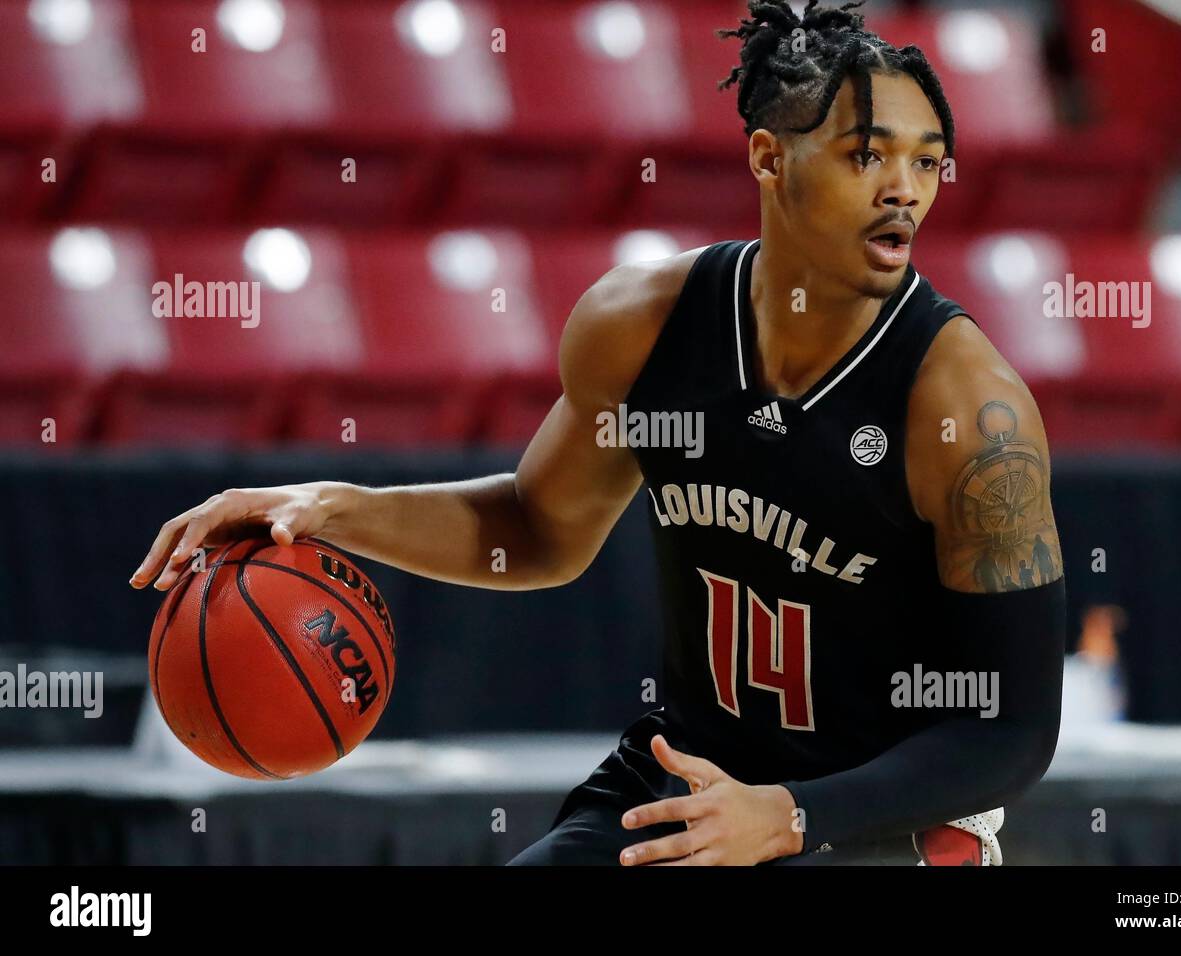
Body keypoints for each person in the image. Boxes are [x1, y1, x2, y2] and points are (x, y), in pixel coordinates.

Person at [130, 0, 1066, 866]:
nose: (906, 189)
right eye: (868, 156)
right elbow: (536, 530)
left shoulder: (968, 411)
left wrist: (789, 813)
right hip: (682, 778)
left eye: (928, 159)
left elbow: (1012, 731)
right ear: (769, 158)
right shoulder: (646, 323)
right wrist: (327, 509)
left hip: (868, 823)